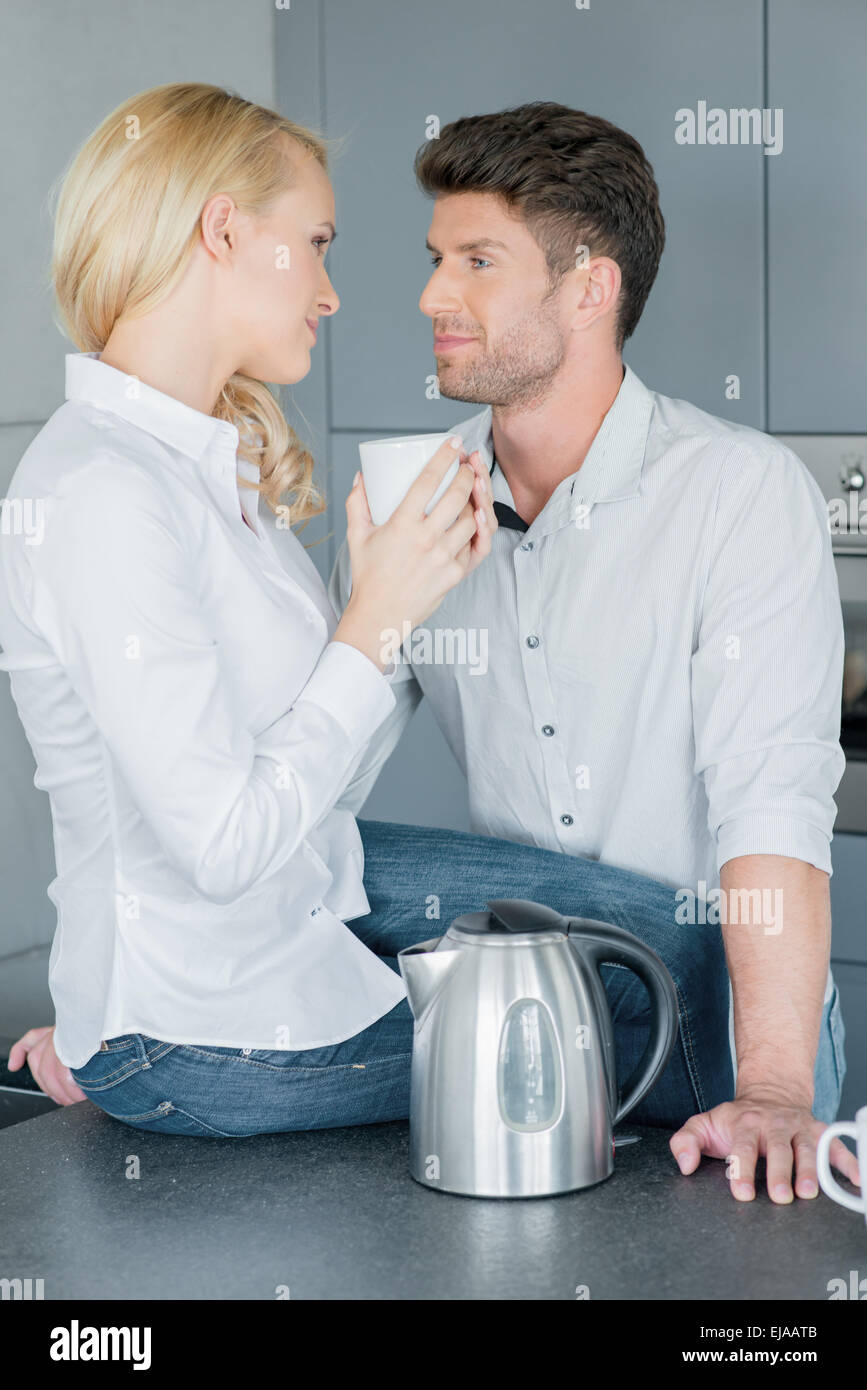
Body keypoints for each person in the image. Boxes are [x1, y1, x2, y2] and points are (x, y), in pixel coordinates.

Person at [1, 84, 730, 1150]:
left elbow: (314, 770)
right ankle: (762, 1190)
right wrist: (377, 618)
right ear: (221, 229)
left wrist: (403, 605)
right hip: (210, 1032)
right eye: (316, 242)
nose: (335, 293)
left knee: (672, 938)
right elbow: (220, 847)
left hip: (294, 897)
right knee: (641, 1007)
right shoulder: (104, 491)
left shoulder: (197, 464)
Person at [329, 101, 860, 1205]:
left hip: (723, 1018)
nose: (432, 297)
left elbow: (771, 803)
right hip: (536, 1028)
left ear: (589, 288)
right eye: (436, 259)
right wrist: (145, 1004)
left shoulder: (739, 494)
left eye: (478, 261)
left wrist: (769, 1083)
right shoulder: (414, 503)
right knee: (324, 852)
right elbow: (310, 775)